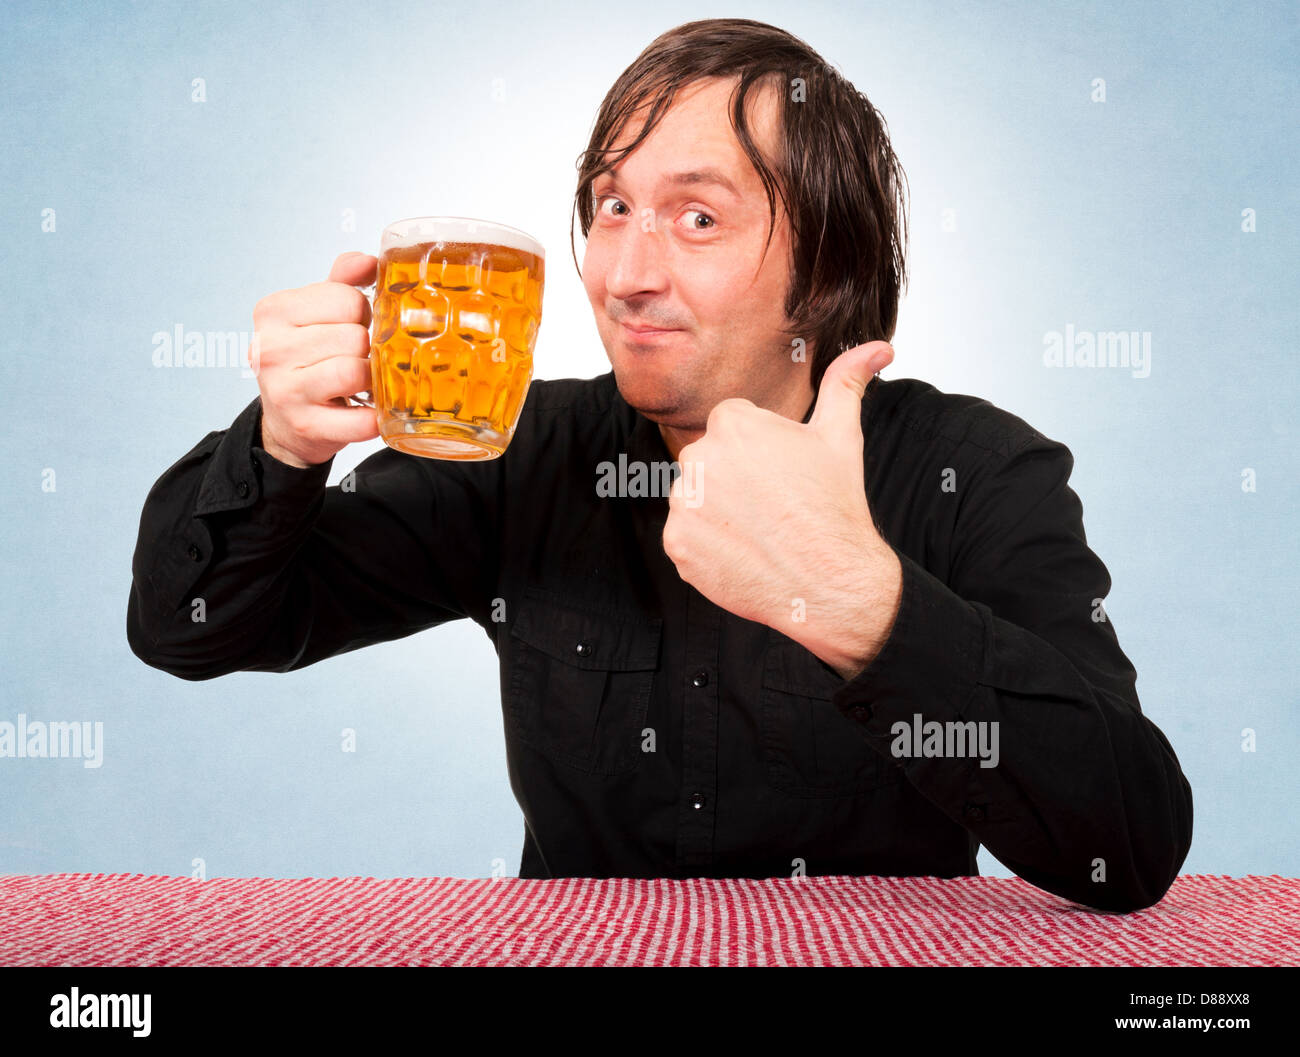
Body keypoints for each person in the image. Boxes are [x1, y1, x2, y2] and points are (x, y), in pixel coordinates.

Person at [127, 18, 1192, 912]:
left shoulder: (974, 469)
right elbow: (192, 628)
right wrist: (277, 447)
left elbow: (1129, 844)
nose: (627, 274)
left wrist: (863, 605)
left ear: (828, 268)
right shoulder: (518, 455)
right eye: (612, 205)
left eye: (696, 217)